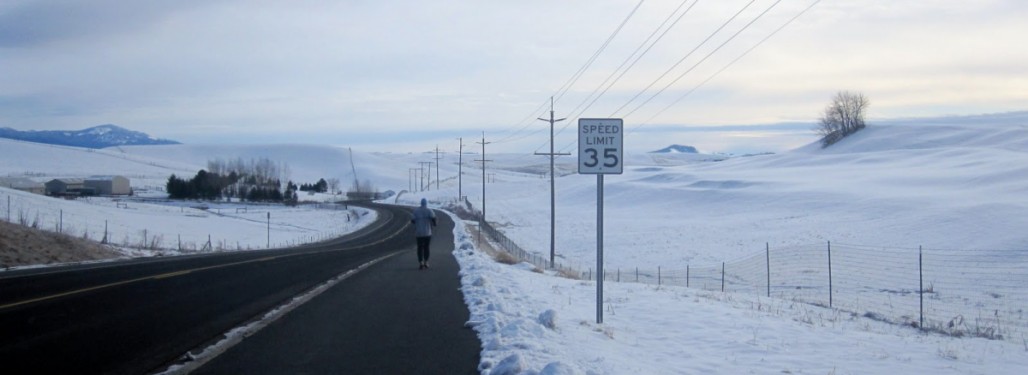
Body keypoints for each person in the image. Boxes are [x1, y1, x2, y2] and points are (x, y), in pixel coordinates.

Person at [411, 198, 437, 270]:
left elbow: (412, 220)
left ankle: (421, 262)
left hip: (419, 233)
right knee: (426, 247)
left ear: (421, 203)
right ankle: (426, 262)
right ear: (426, 203)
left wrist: (418, 222)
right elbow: (434, 219)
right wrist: (434, 224)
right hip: (427, 232)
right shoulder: (429, 210)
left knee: (419, 248)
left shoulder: (416, 211)